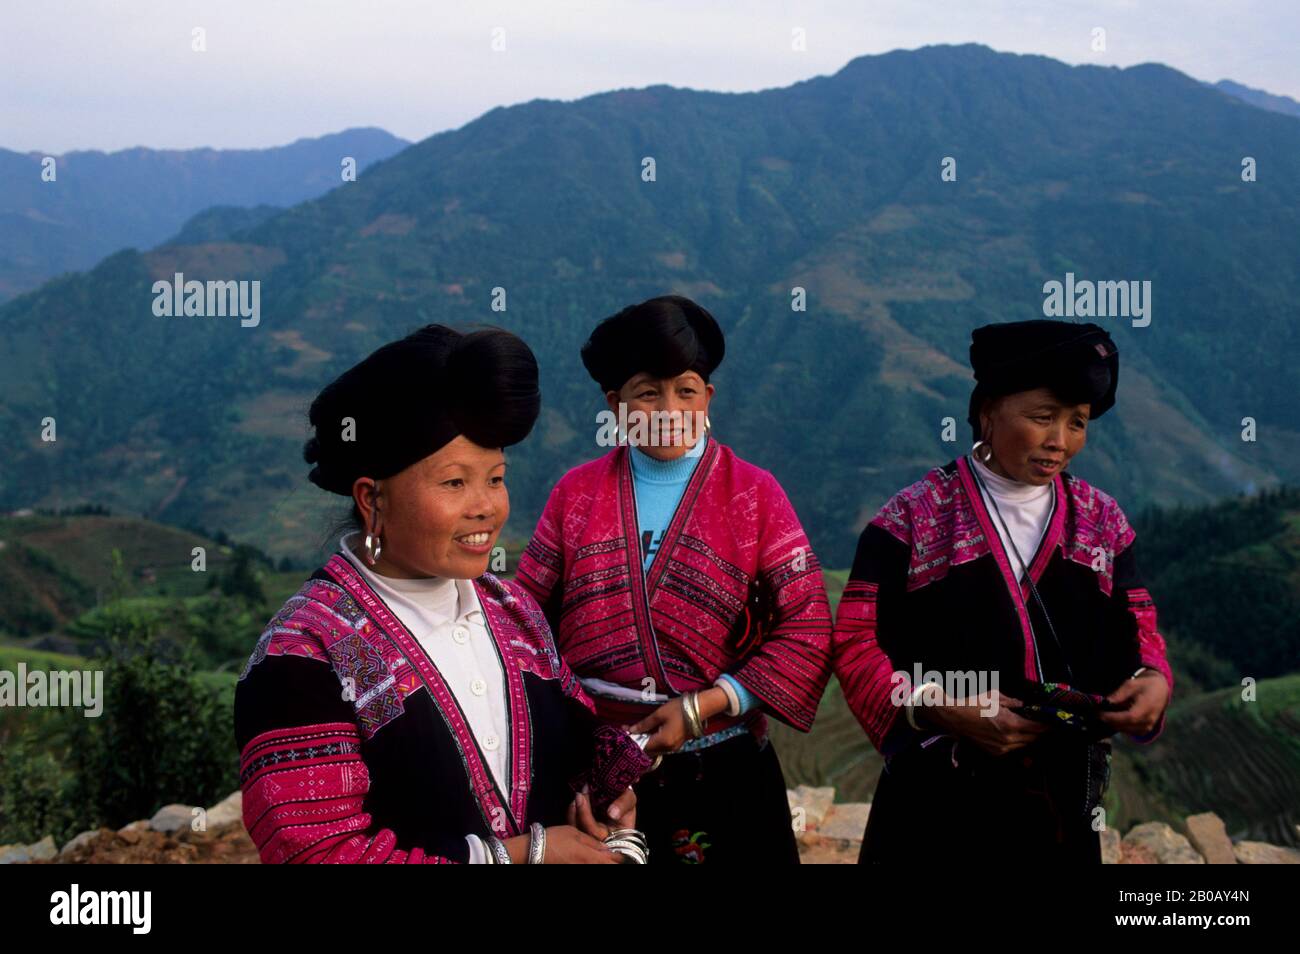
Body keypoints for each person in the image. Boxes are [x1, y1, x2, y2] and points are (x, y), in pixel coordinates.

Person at [234, 324, 650, 864]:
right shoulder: (302, 659)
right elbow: (320, 854)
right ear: (372, 498)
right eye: (455, 483)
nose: (486, 507)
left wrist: (608, 806)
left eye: (495, 479)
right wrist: (525, 855)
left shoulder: (514, 614)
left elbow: (578, 751)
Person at [832, 319, 1172, 863]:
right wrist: (932, 706)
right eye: (1042, 418)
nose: (1060, 441)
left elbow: (1139, 624)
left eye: (1078, 423)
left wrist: (1150, 680)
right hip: (933, 802)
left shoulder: (1102, 522)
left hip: (1060, 807)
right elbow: (854, 641)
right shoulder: (911, 518)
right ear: (987, 411)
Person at [516, 295, 833, 864]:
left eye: (685, 390)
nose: (668, 409)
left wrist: (704, 706)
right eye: (645, 392)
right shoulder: (575, 495)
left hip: (724, 765)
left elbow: (807, 628)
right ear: (614, 404)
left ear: (707, 398)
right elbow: (524, 625)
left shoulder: (755, 496)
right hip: (597, 769)